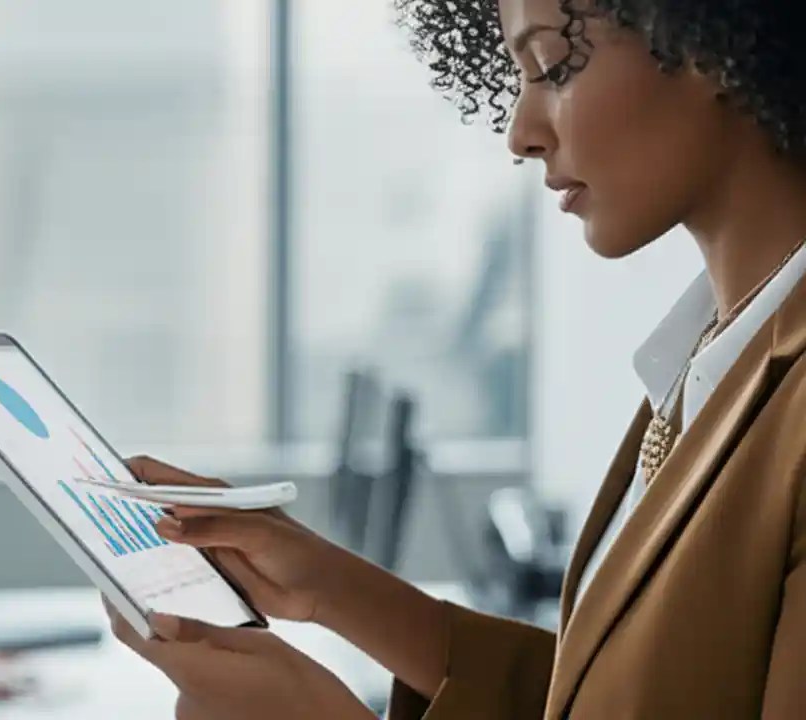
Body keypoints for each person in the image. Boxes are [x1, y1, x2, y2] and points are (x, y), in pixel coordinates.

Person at [104, 0, 806, 717]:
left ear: (707, 44)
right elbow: (602, 699)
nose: (521, 133)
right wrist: (330, 586)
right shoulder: (710, 353)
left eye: (552, 67)